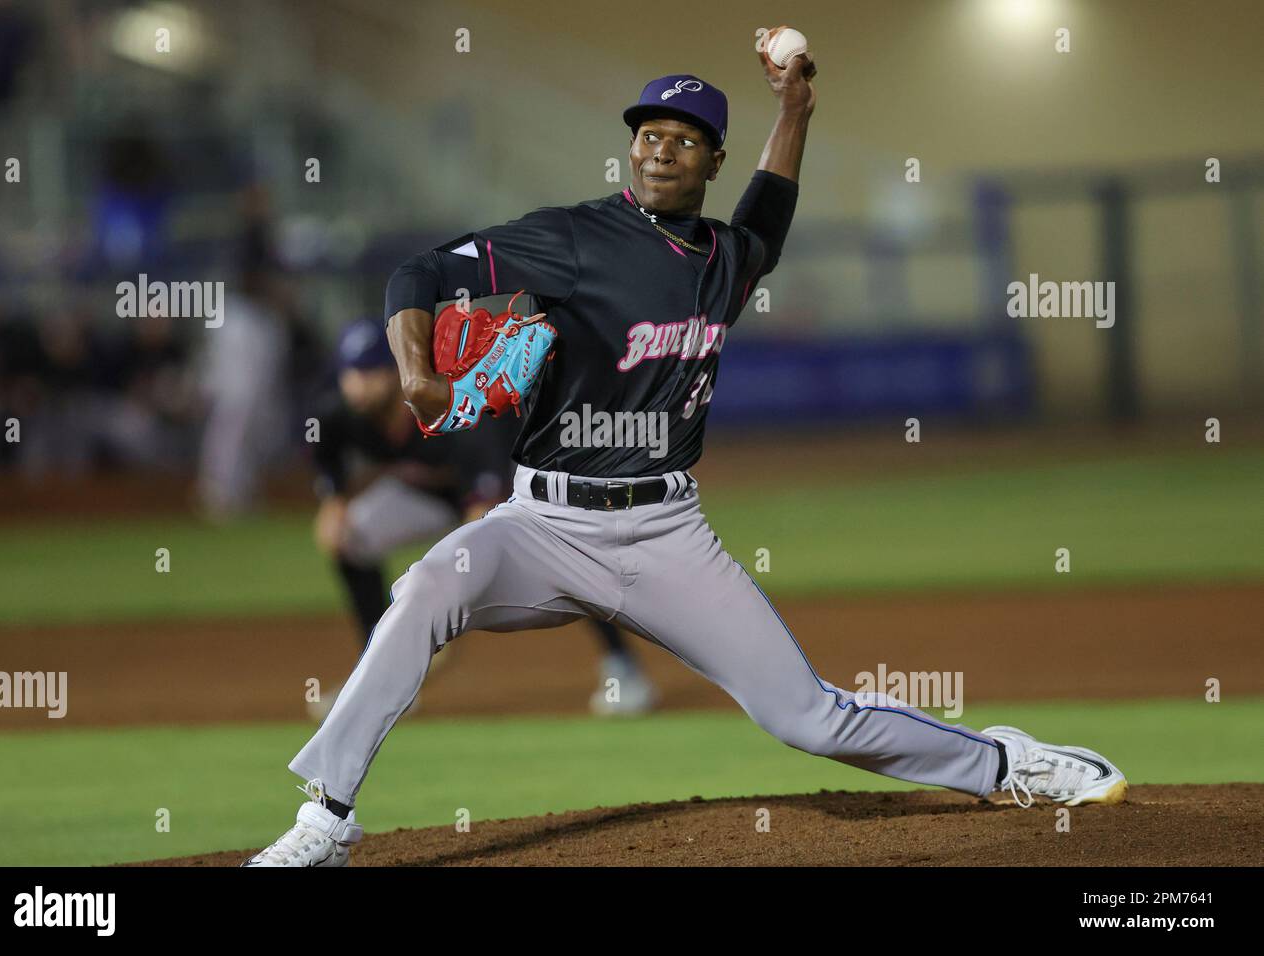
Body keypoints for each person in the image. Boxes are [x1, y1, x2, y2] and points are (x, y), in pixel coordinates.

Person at [244, 37, 1126, 867]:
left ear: (712, 162)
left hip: (667, 535)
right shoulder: (577, 237)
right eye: (649, 135)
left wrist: (798, 108)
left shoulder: (730, 259)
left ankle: (1011, 765)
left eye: (685, 140)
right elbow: (421, 273)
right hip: (543, 522)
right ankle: (326, 816)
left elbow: (771, 205)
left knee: (809, 718)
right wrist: (413, 369)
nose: (660, 151)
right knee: (428, 586)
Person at [306, 318, 658, 721]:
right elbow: (328, 462)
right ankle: (379, 679)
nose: (356, 384)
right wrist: (333, 503)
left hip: (510, 497)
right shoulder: (338, 414)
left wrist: (448, 610)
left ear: (399, 370)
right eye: (349, 373)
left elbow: (480, 517)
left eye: (368, 372)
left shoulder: (455, 409)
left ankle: (623, 668)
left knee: (564, 564)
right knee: (346, 536)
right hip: (429, 500)